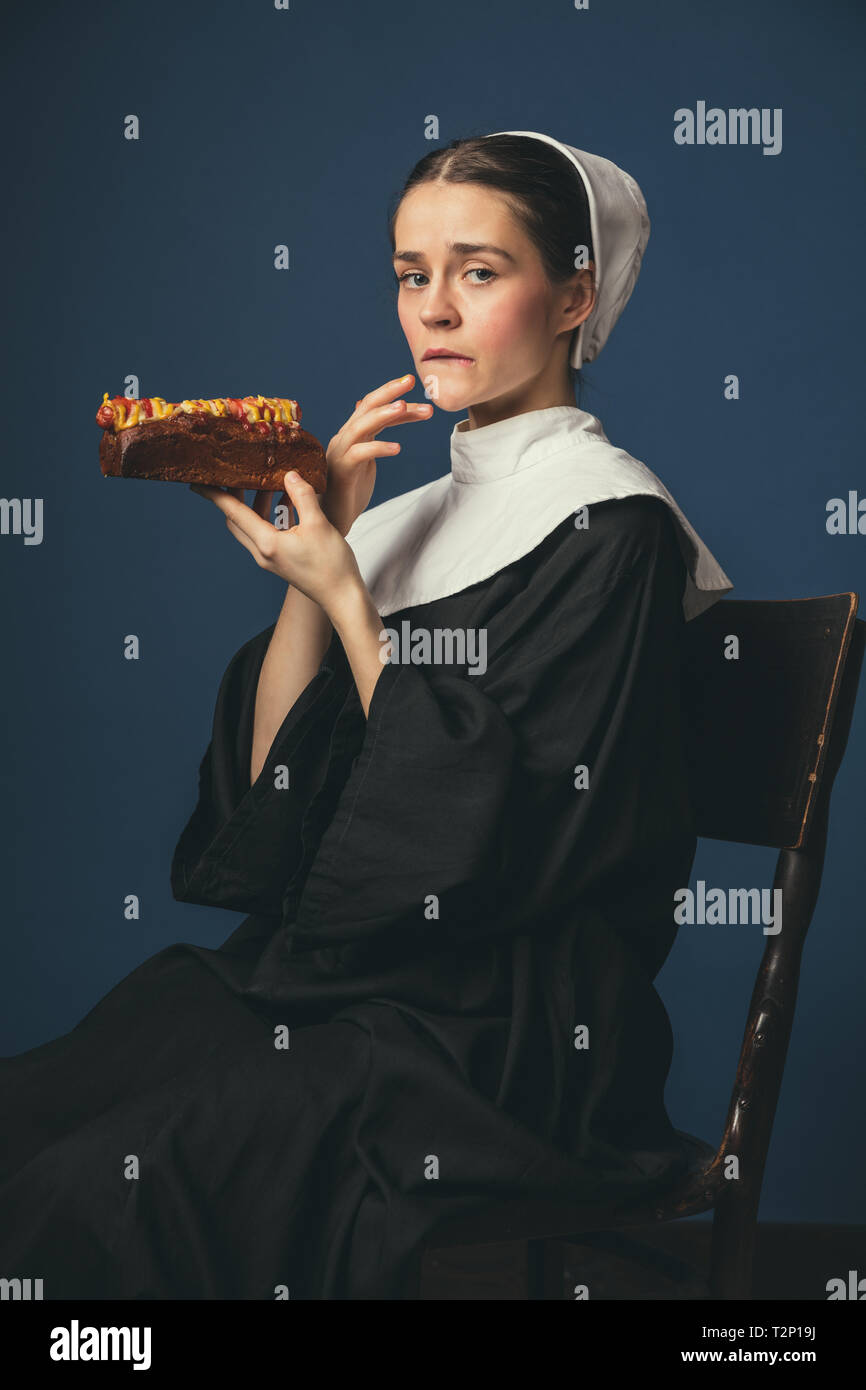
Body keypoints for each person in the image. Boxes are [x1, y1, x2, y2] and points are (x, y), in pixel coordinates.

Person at [0, 131, 733, 1300]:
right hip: (336, 979)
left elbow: (486, 837)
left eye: (478, 272)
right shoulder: (404, 519)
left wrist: (349, 598)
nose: (432, 308)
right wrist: (318, 577)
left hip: (503, 1023)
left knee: (110, 1185)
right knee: (35, 1117)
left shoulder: (615, 525)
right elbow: (272, 812)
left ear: (573, 296)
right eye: (409, 273)